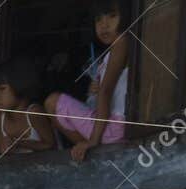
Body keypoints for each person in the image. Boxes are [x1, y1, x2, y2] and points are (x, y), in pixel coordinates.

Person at [45, 1, 131, 162]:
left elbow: (106, 92)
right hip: (112, 129)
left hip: (113, 128)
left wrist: (93, 140)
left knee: (53, 102)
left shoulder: (122, 41)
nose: (104, 25)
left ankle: (90, 147)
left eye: (112, 16)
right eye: (99, 19)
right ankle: (89, 147)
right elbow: (105, 90)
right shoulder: (114, 49)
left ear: (126, 17)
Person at [0, 57, 56, 156]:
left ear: (19, 85)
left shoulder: (34, 113)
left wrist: (19, 143)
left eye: (2, 89)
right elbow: (1, 148)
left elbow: (50, 145)